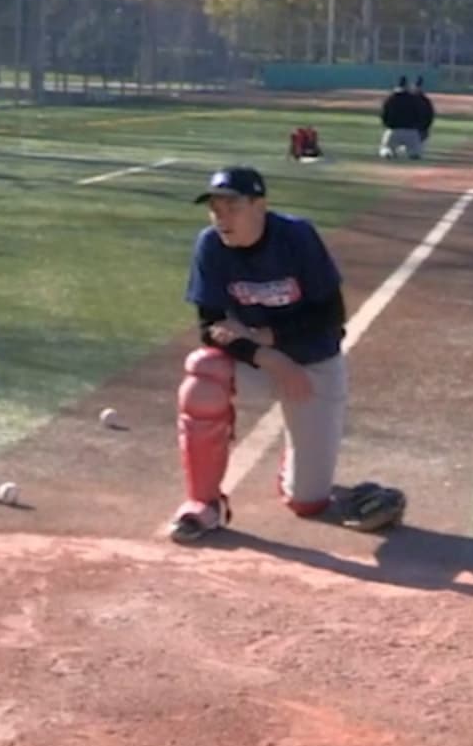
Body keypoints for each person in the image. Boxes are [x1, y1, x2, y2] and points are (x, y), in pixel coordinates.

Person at [170, 166, 406, 542]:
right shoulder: (210, 245)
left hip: (313, 362)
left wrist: (267, 335)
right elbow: (209, 327)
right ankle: (205, 503)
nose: (221, 217)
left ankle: (294, 469)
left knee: (308, 503)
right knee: (203, 373)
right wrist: (269, 357)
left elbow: (330, 316)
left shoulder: (297, 236)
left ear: (259, 206)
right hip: (257, 361)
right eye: (214, 208)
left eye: (232, 207)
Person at [378, 76, 425, 160]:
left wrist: (387, 125)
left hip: (394, 130)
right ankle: (412, 153)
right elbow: (420, 115)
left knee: (385, 148)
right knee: (415, 152)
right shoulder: (414, 99)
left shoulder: (390, 99)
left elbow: (384, 115)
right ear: (407, 85)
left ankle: (388, 153)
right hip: (411, 132)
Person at [411, 75, 436, 150]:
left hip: (411, 130)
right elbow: (430, 117)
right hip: (420, 131)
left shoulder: (407, 99)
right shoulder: (425, 100)